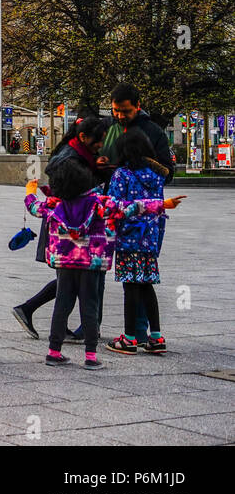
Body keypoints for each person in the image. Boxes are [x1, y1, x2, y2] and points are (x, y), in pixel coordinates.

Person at [24, 161, 181, 370]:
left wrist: (31, 191)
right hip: (92, 262)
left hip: (64, 261)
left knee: (61, 305)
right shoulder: (99, 203)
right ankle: (90, 355)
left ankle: (54, 351)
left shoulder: (56, 204)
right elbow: (129, 207)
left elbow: (34, 207)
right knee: (89, 306)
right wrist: (163, 204)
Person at [11, 115, 111, 339]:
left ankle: (35, 314)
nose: (100, 145)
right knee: (72, 281)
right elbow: (60, 194)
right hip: (70, 229)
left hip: (68, 229)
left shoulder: (80, 153)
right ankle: (63, 332)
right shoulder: (69, 159)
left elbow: (35, 206)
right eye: (98, 141)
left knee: (70, 280)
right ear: (83, 137)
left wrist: (31, 193)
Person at [105, 128, 173, 355]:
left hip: (128, 238)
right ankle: (156, 337)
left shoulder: (122, 175)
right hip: (150, 239)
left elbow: (113, 207)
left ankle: (129, 338)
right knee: (146, 285)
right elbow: (160, 207)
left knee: (130, 286)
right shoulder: (156, 176)